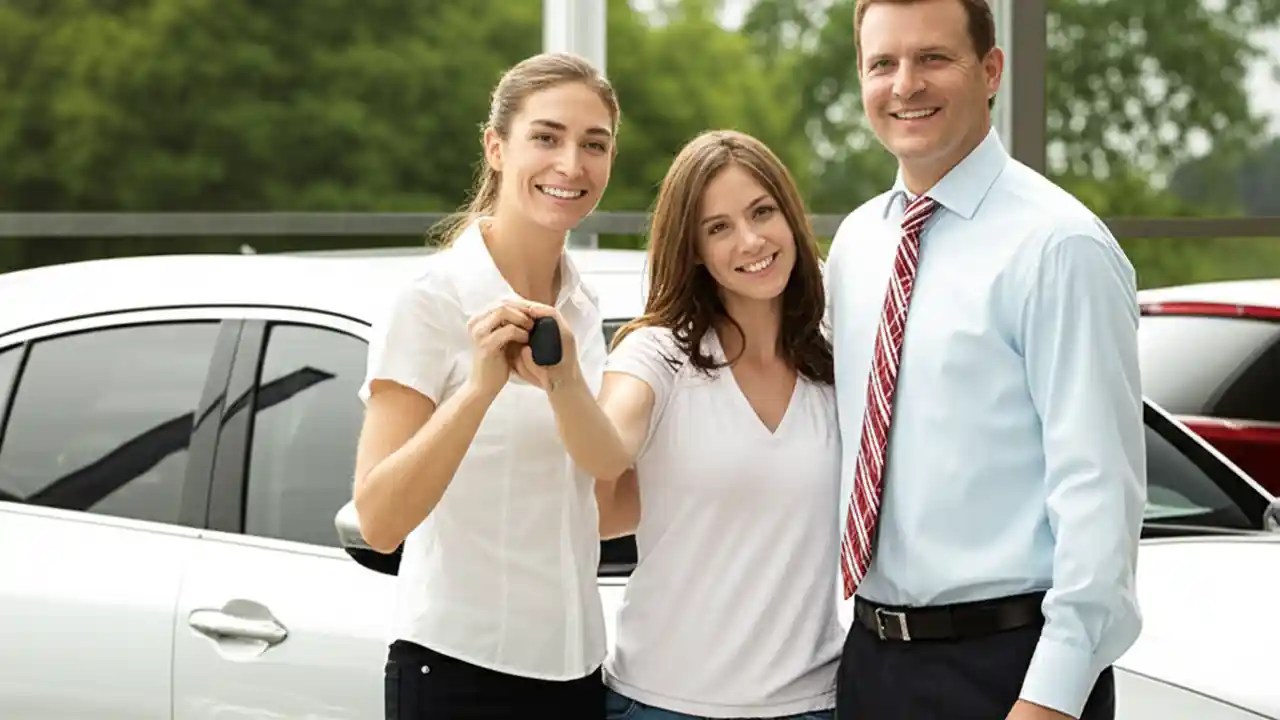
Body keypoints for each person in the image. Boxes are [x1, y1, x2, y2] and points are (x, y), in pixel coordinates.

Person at [825, 1, 1146, 719]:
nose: (906, 84)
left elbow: (1100, 497)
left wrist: (1050, 699)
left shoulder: (1060, 247)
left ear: (991, 70)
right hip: (871, 664)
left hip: (1009, 672)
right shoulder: (856, 246)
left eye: (933, 58)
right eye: (883, 63)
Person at [515, 129, 842, 720]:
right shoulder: (656, 355)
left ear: (790, 216)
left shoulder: (836, 353)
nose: (751, 240)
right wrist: (563, 379)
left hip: (815, 702)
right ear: (692, 249)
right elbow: (611, 453)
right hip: (664, 704)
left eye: (763, 212)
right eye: (718, 228)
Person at [352, 51, 620, 719]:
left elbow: (604, 495)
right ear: (496, 148)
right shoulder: (430, 302)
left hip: (578, 672)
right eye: (547, 137)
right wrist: (477, 390)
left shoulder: (586, 312)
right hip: (456, 673)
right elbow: (379, 520)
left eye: (595, 144)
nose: (572, 164)